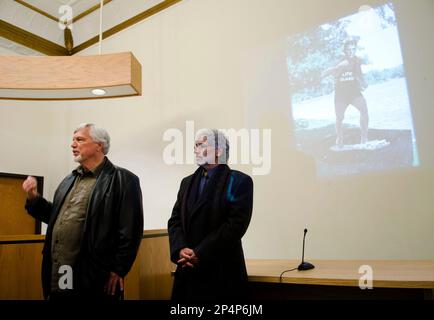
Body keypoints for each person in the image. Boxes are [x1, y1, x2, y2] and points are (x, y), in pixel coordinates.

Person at [22, 123, 143, 300]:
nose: (73, 144)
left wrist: (119, 269)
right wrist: (33, 197)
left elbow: (130, 231)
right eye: (73, 140)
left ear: (99, 145)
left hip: (94, 275)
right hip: (62, 271)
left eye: (79, 139)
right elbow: (55, 217)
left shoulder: (123, 180)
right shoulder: (69, 180)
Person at [167, 129, 253, 301]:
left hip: (221, 272)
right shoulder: (186, 182)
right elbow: (175, 220)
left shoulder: (239, 181)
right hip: (187, 271)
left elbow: (235, 226)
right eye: (195, 145)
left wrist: (200, 252)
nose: (195, 149)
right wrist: (180, 249)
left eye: (201, 145)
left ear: (219, 151)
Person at [322, 37, 369, 148]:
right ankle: (340, 138)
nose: (351, 52)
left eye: (353, 49)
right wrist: (323, 75)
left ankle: (364, 137)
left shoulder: (357, 60)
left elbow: (359, 74)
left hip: (354, 92)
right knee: (339, 118)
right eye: (348, 49)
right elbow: (329, 72)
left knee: (364, 109)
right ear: (344, 50)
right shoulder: (340, 62)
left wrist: (363, 83)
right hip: (341, 95)